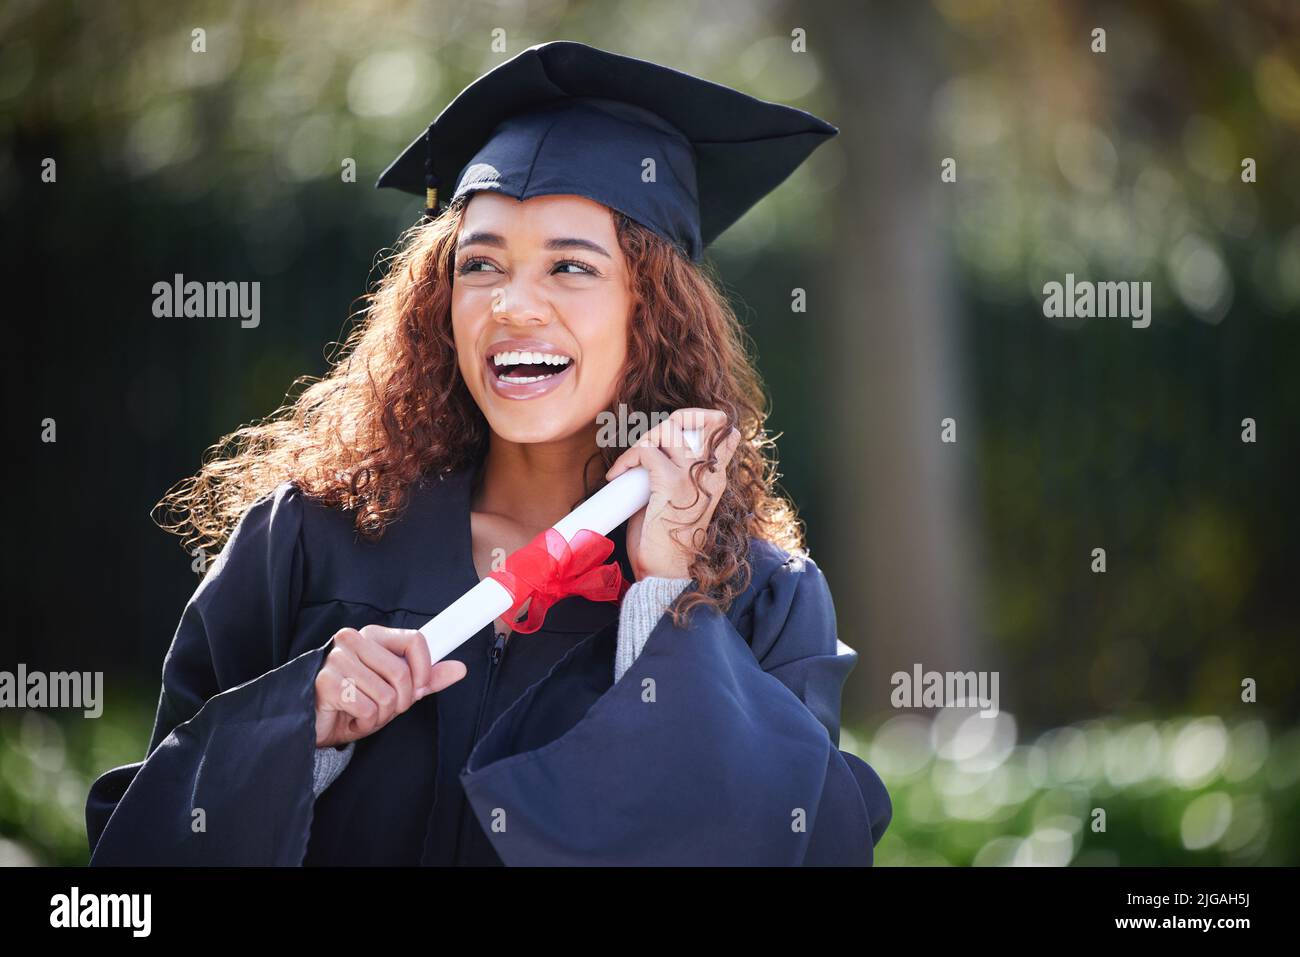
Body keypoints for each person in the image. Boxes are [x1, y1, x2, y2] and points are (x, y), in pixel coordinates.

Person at [85, 40, 892, 866]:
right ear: (441, 301)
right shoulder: (305, 540)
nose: (512, 304)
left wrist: (666, 602)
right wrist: (299, 731)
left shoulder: (760, 595)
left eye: (571, 266)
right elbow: (132, 861)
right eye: (480, 264)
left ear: (651, 311)